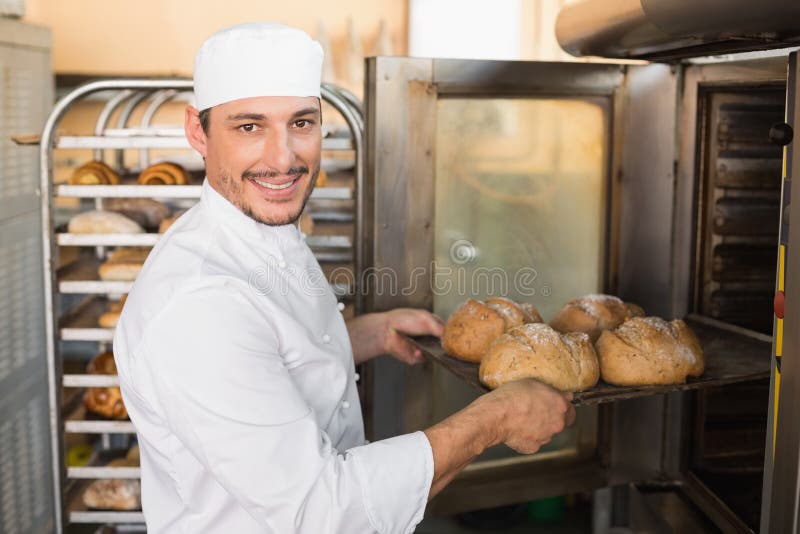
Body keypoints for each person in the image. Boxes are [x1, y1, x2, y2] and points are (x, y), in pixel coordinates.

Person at [114, 22, 575, 534]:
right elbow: (325, 511)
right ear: (198, 132)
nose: (283, 158)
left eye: (302, 123)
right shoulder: (198, 305)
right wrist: (492, 420)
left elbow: (269, 351)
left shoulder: (261, 227)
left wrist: (362, 335)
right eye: (249, 127)